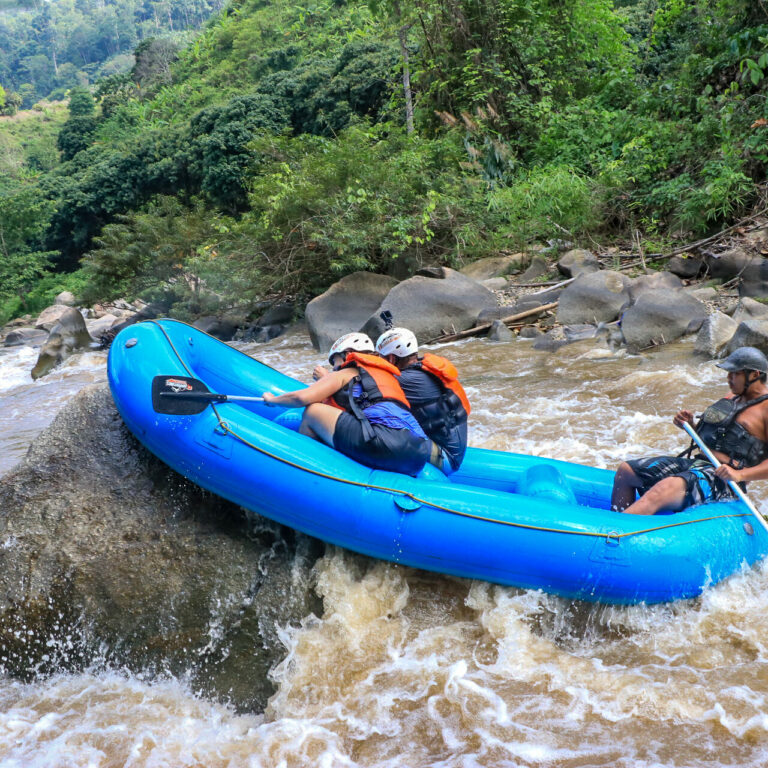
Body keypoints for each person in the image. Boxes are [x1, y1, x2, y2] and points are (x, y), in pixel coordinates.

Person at [612, 346, 768, 515]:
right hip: (699, 463)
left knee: (665, 488)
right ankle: (619, 525)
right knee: (625, 471)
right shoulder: (732, 398)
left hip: (726, 481)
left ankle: (613, 535)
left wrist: (740, 475)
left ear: (754, 374)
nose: (729, 378)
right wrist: (690, 425)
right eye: (729, 372)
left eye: (735, 373)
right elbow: (715, 439)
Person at [262, 332, 431, 475]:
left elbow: (301, 398)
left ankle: (304, 472)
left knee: (312, 411)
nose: (335, 368)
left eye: (335, 362)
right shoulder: (386, 376)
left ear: (347, 354)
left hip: (386, 443)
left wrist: (273, 400)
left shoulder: (348, 370)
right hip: (419, 453)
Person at [375, 326, 471, 474]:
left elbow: (366, 384)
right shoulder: (421, 370)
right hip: (451, 451)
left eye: (381, 358)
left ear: (392, 358)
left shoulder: (406, 379)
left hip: (445, 458)